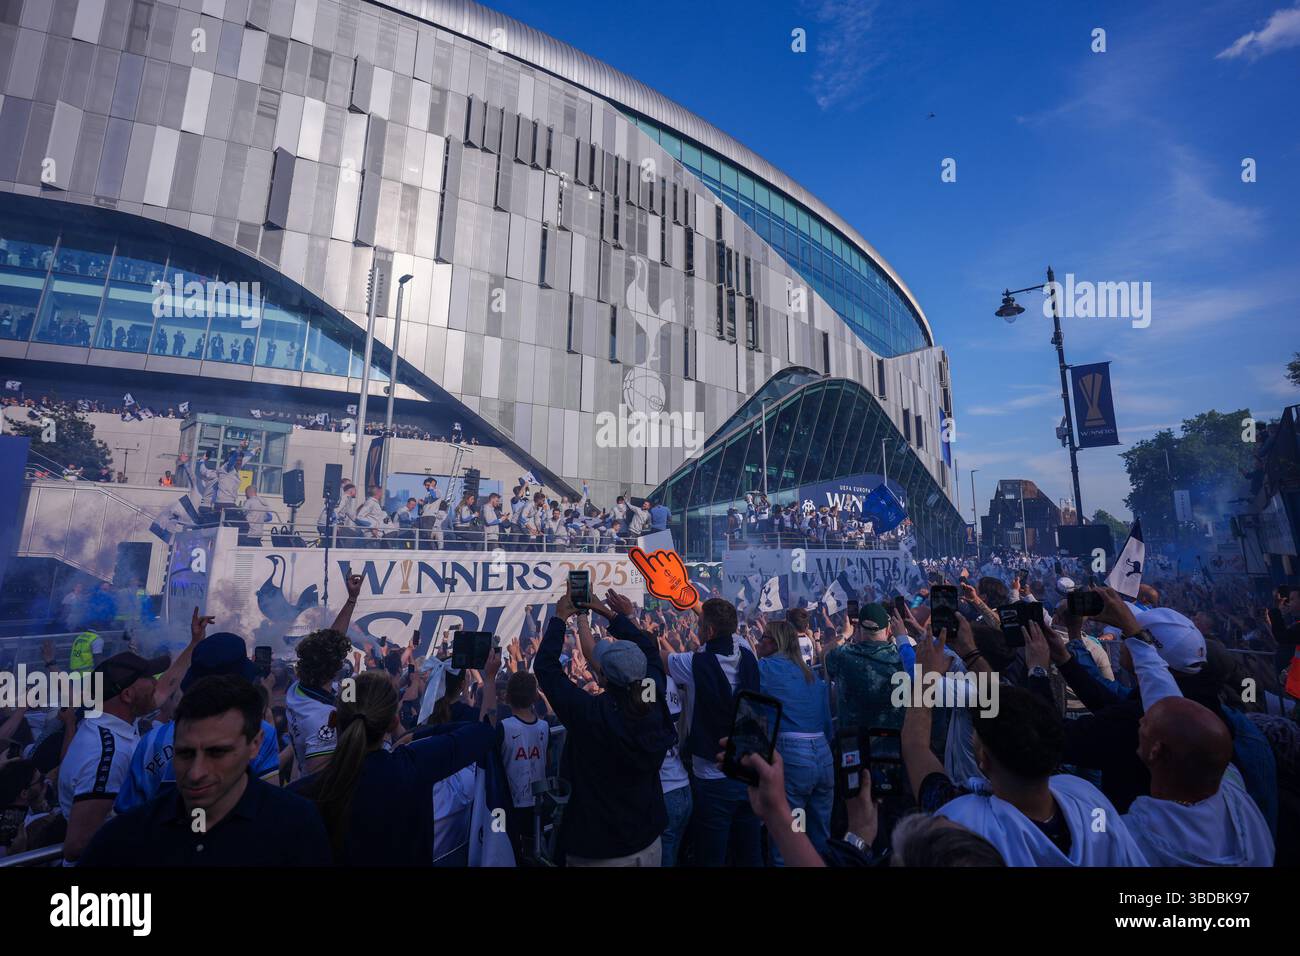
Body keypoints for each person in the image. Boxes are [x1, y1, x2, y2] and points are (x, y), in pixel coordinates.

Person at [902, 626, 1148, 866]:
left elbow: (915, 745)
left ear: (984, 760)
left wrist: (925, 677)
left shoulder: (960, 820)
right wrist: (970, 651)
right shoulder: (1086, 797)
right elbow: (1000, 702)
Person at [79, 676, 332, 866]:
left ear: (255, 744)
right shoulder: (124, 840)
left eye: (217, 752)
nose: (196, 772)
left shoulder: (296, 825)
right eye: (185, 753)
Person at [291, 669, 497, 865]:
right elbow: (484, 732)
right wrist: (419, 734)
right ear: (393, 722)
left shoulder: (302, 795)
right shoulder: (413, 764)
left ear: (334, 721)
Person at [534, 586, 675, 866]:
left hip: (601, 849)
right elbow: (649, 647)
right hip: (648, 840)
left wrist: (560, 618)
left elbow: (545, 670)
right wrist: (610, 614)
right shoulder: (654, 698)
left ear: (602, 677)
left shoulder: (591, 713)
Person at [59, 629, 203, 863]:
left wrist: (194, 643)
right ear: (127, 695)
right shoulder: (107, 754)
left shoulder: (111, 721)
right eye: (149, 679)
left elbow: (166, 686)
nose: (156, 683)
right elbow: (77, 845)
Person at [115, 631, 283, 814]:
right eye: (186, 753)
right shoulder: (259, 733)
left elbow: (127, 813)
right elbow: (271, 808)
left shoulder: (152, 741)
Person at [664, 597, 763, 867]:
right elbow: (726, 631)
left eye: (699, 625)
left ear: (708, 631)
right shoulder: (746, 652)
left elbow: (657, 658)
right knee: (751, 855)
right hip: (748, 771)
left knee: (711, 858)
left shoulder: (694, 664)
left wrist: (624, 619)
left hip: (712, 778)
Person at [1125, 695, 1274, 866]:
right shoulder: (1236, 792)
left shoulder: (1128, 842)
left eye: (1146, 723)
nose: (1140, 720)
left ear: (1155, 751)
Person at [756, 619, 834, 863]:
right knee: (820, 838)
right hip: (823, 755)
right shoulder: (809, 673)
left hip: (792, 756)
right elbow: (826, 724)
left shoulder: (765, 668)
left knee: (786, 837)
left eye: (763, 638)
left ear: (774, 642)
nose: (758, 643)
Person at [285, 575, 362, 775]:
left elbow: (330, 643)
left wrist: (352, 599)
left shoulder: (297, 690)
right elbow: (320, 779)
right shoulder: (323, 718)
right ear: (333, 670)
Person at [496, 671, 549, 862]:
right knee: (535, 849)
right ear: (534, 696)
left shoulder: (503, 727)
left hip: (511, 803)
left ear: (507, 697)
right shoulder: (544, 727)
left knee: (512, 850)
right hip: (537, 802)